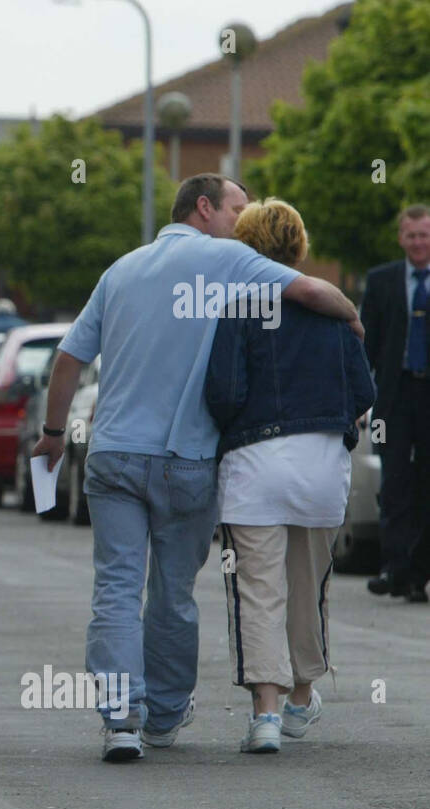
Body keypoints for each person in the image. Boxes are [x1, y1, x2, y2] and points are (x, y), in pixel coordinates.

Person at [31, 173, 362, 762]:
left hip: (112, 456)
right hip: (187, 462)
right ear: (204, 207)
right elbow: (313, 293)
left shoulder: (121, 270)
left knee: (114, 588)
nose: (243, 218)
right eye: (237, 206)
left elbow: (69, 358)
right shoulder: (229, 259)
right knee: (172, 593)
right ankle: (162, 715)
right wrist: (353, 321)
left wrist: (55, 435)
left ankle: (120, 721)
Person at [204, 199, 376, 754]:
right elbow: (364, 394)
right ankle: (303, 695)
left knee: (258, 589)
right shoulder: (333, 311)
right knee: (310, 586)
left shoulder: (236, 309)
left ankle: (266, 715)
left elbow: (224, 393)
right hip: (320, 466)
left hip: (254, 467)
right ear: (298, 245)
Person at [360, 205, 430, 604]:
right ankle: (394, 567)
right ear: (401, 238)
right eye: (412, 235)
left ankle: (419, 571)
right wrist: (358, 397)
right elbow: (367, 346)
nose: (419, 242)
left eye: (425, 235)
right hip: (395, 396)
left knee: (426, 485)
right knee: (395, 482)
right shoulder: (382, 281)